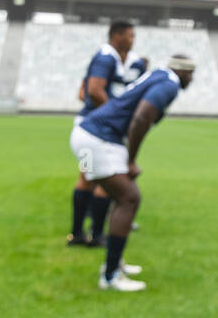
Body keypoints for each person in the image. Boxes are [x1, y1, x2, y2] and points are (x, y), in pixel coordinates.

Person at [69, 55, 196, 291]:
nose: (193, 79)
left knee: (117, 196)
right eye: (192, 74)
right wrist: (131, 160)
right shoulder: (170, 84)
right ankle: (110, 275)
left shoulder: (159, 74)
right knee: (129, 198)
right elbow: (141, 118)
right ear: (184, 73)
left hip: (92, 135)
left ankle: (113, 262)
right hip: (99, 138)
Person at [67, 21, 146, 246]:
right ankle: (95, 234)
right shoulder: (105, 57)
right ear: (116, 35)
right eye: (130, 36)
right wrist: (116, 114)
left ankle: (78, 233)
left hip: (96, 128)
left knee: (88, 177)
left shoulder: (127, 61)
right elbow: (92, 90)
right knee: (102, 179)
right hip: (97, 130)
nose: (133, 40)